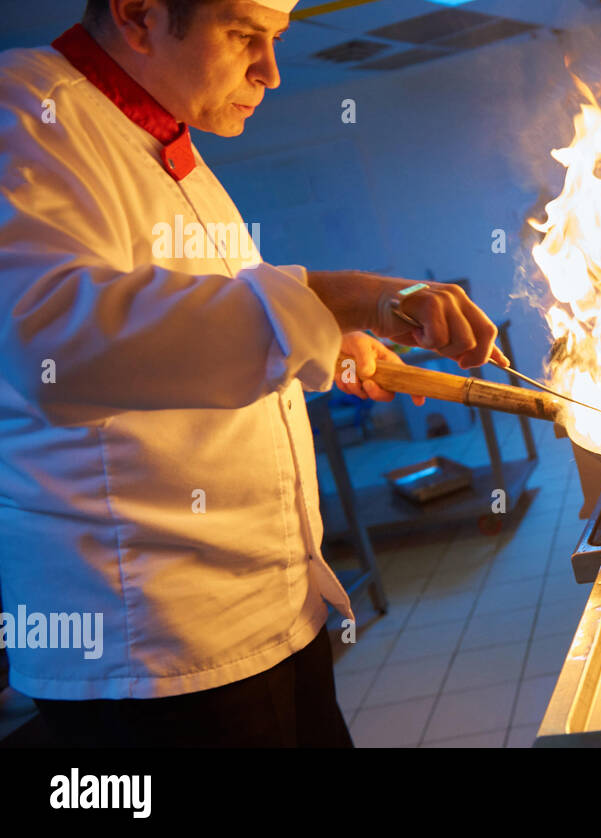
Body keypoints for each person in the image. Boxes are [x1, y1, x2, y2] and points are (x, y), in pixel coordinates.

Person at [0, 0, 505, 746]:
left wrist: (331, 342)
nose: (270, 71)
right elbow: (55, 345)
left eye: (275, 40)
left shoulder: (168, 144)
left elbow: (208, 313)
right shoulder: (27, 107)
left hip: (267, 616)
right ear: (139, 13)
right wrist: (341, 298)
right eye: (244, 35)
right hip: (153, 653)